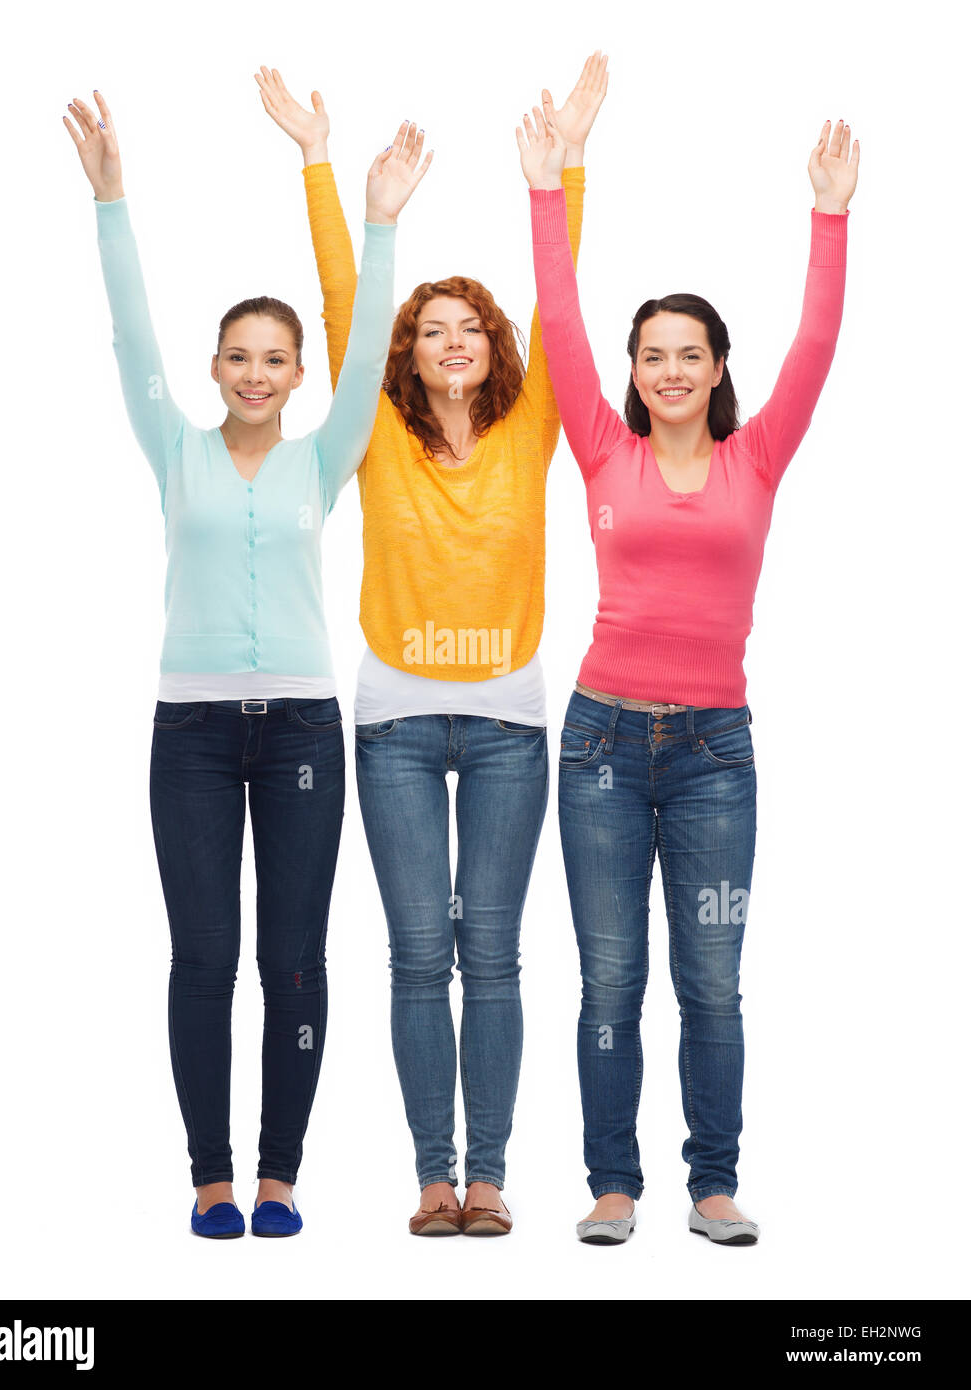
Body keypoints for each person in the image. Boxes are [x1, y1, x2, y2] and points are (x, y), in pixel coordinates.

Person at [64, 85, 429, 1238]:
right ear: (215, 369)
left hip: (306, 734)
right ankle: (209, 1175)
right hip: (191, 731)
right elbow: (130, 331)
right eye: (238, 357)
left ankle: (280, 1174)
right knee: (204, 957)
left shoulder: (326, 458)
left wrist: (377, 220)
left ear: (296, 371)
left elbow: (373, 348)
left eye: (276, 358)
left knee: (295, 959)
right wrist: (112, 199)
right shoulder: (174, 446)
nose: (257, 374)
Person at [255, 55, 606, 1234]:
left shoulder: (533, 425)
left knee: (492, 958)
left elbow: (561, 299)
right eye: (428, 330)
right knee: (418, 957)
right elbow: (344, 309)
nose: (449, 340)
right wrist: (332, 177)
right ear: (401, 354)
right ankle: (429, 1179)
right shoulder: (375, 438)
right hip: (395, 722)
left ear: (492, 344)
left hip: (508, 723)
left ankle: (492, 1177)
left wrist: (560, 172)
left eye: (469, 327)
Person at [520, 98, 858, 1245]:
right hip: (602, 750)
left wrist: (827, 216)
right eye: (651, 354)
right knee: (609, 981)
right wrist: (548, 188)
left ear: (717, 369)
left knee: (710, 981)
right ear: (632, 370)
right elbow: (555, 323)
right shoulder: (598, 447)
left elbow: (814, 345)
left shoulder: (754, 455)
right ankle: (612, 1184)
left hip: (715, 755)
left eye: (689, 354)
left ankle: (709, 1183)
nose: (669, 370)